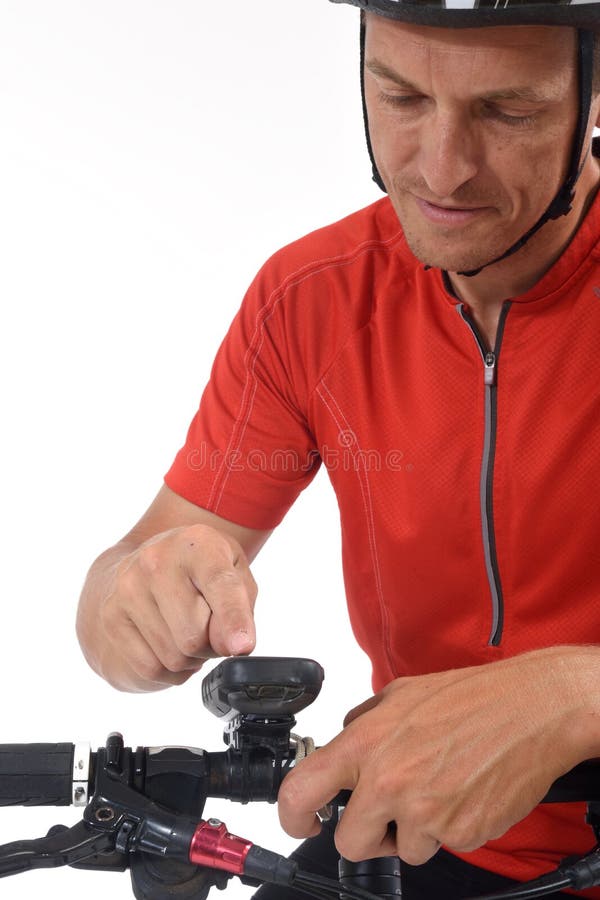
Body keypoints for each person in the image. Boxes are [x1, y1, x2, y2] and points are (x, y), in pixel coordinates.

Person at [76, 0, 600, 896]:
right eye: (400, 97)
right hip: (424, 836)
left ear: (592, 97)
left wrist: (573, 695)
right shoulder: (312, 301)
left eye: (506, 112)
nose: (442, 168)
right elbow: (124, 581)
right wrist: (136, 601)